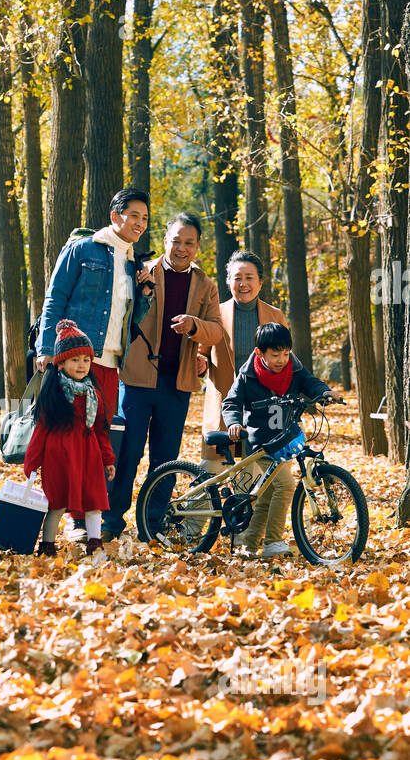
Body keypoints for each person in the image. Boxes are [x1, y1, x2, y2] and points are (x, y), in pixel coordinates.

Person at [35, 187, 153, 539]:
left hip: (110, 365)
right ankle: (69, 520)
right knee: (69, 440)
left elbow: (130, 322)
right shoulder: (82, 249)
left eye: (145, 219)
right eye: (134, 216)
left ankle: (91, 521)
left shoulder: (134, 264)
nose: (140, 224)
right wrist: (46, 348)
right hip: (74, 362)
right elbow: (55, 297)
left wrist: (145, 295)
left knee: (99, 442)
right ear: (116, 216)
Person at [103, 212, 222, 539]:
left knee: (165, 460)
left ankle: (151, 526)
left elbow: (216, 331)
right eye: (176, 241)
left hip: (176, 384)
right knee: (128, 453)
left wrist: (194, 326)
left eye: (189, 243)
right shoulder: (143, 272)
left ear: (197, 246)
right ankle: (111, 522)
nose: (182, 248)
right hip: (137, 380)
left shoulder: (205, 284)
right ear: (165, 240)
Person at [200, 249, 291, 551]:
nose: (243, 283)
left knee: (254, 474)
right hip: (224, 400)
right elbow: (200, 351)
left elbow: (285, 361)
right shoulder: (216, 313)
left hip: (262, 409)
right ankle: (191, 531)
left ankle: (244, 538)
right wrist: (199, 362)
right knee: (211, 470)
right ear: (228, 281)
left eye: (249, 278)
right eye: (236, 277)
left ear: (260, 282)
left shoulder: (275, 316)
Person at [222, 321, 335, 557]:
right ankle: (273, 541)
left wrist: (323, 392)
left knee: (267, 495)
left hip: (285, 440)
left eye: (285, 353)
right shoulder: (248, 374)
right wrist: (234, 422)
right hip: (261, 443)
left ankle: (250, 545)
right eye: (275, 354)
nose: (281, 359)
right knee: (285, 486)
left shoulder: (293, 368)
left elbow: (309, 382)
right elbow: (232, 401)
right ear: (259, 353)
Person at [24, 319, 115, 558]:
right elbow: (40, 431)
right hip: (60, 458)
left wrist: (108, 459)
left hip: (89, 455)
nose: (82, 365)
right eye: (75, 359)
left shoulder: (93, 394)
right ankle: (47, 545)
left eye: (86, 360)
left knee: (94, 500)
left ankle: (95, 543)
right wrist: (32, 463)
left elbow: (100, 429)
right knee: (58, 502)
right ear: (61, 363)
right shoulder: (53, 395)